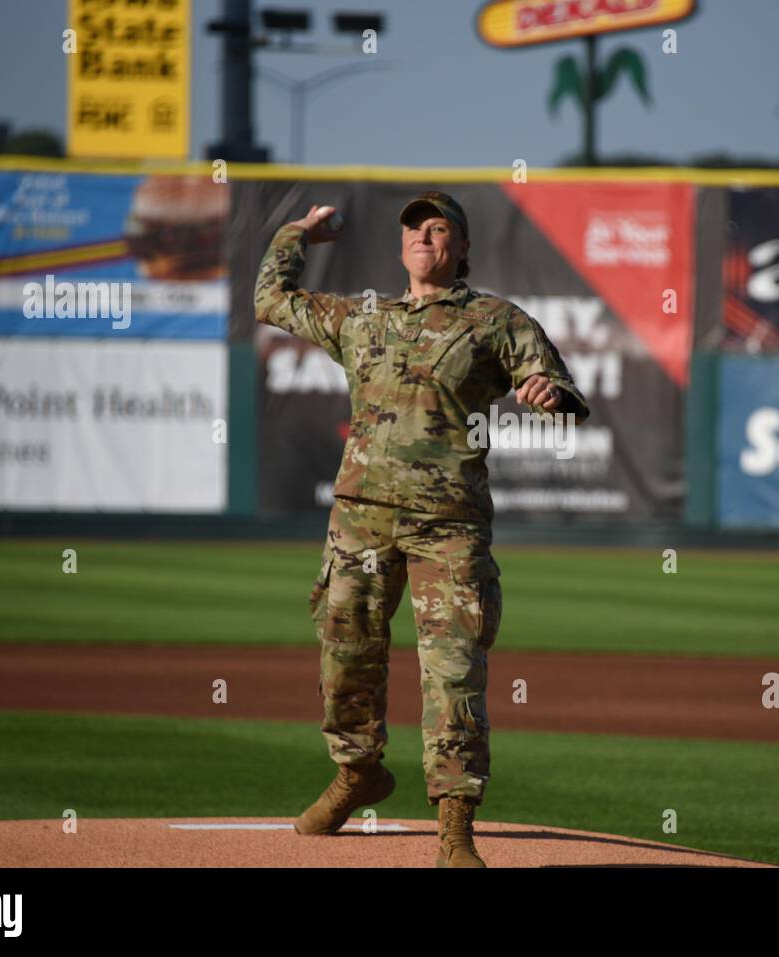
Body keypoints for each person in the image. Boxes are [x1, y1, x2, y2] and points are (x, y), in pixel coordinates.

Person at [254, 190, 590, 867]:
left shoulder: (493, 320)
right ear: (399, 245)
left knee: (454, 673)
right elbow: (270, 298)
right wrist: (297, 231)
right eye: (414, 227)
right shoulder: (361, 316)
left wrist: (547, 396)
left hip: (450, 525)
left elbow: (557, 390)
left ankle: (456, 830)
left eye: (439, 229)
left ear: (462, 248)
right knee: (345, 653)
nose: (423, 237)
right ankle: (358, 773)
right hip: (360, 520)